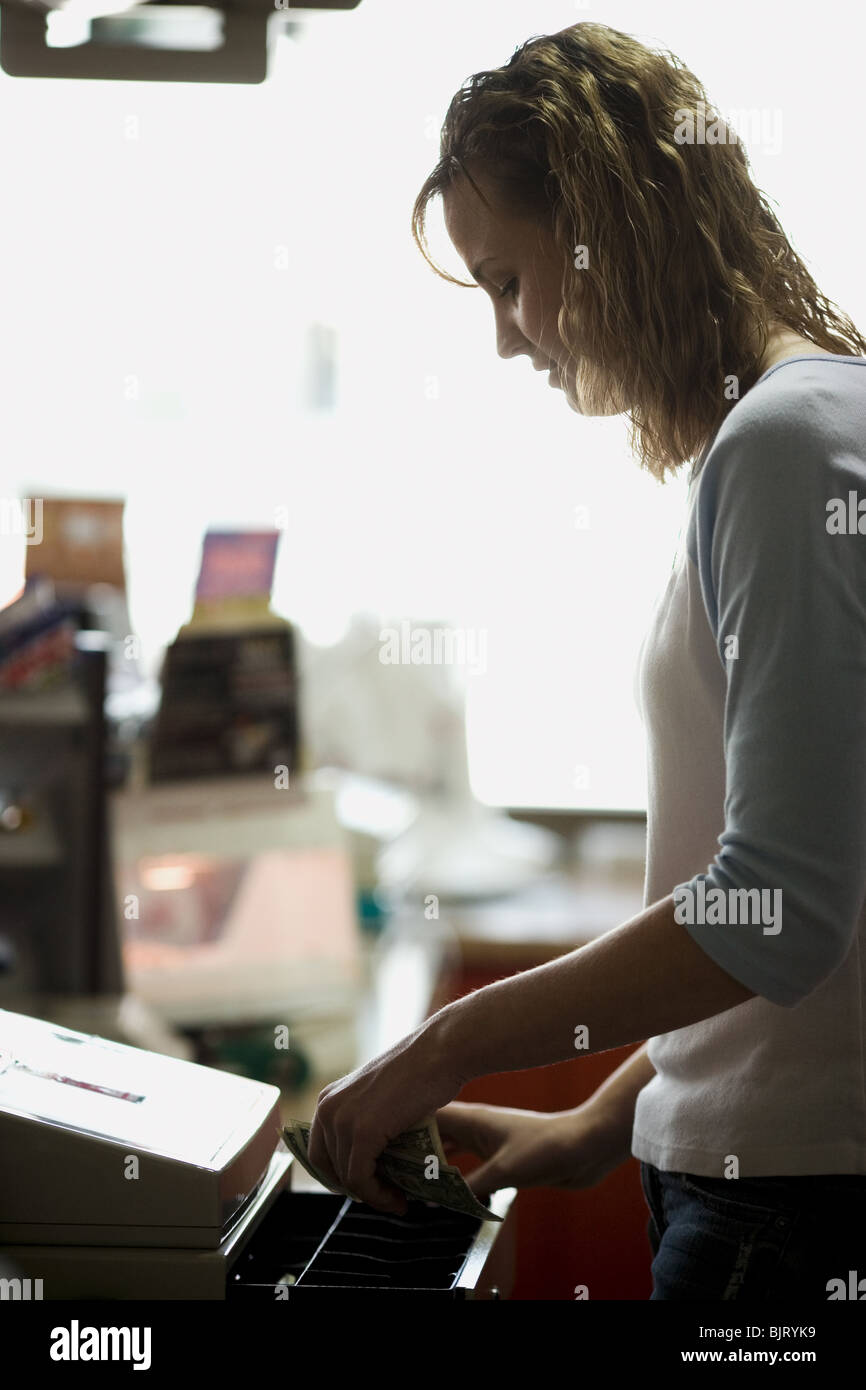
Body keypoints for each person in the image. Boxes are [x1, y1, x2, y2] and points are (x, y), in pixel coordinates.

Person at [307, 21, 866, 1300]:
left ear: (607, 229)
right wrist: (593, 1125)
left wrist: (439, 1048)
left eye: (507, 282)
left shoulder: (784, 450)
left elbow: (775, 905)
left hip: (783, 1219)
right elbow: (809, 903)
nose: (507, 338)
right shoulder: (786, 435)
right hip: (754, 1185)